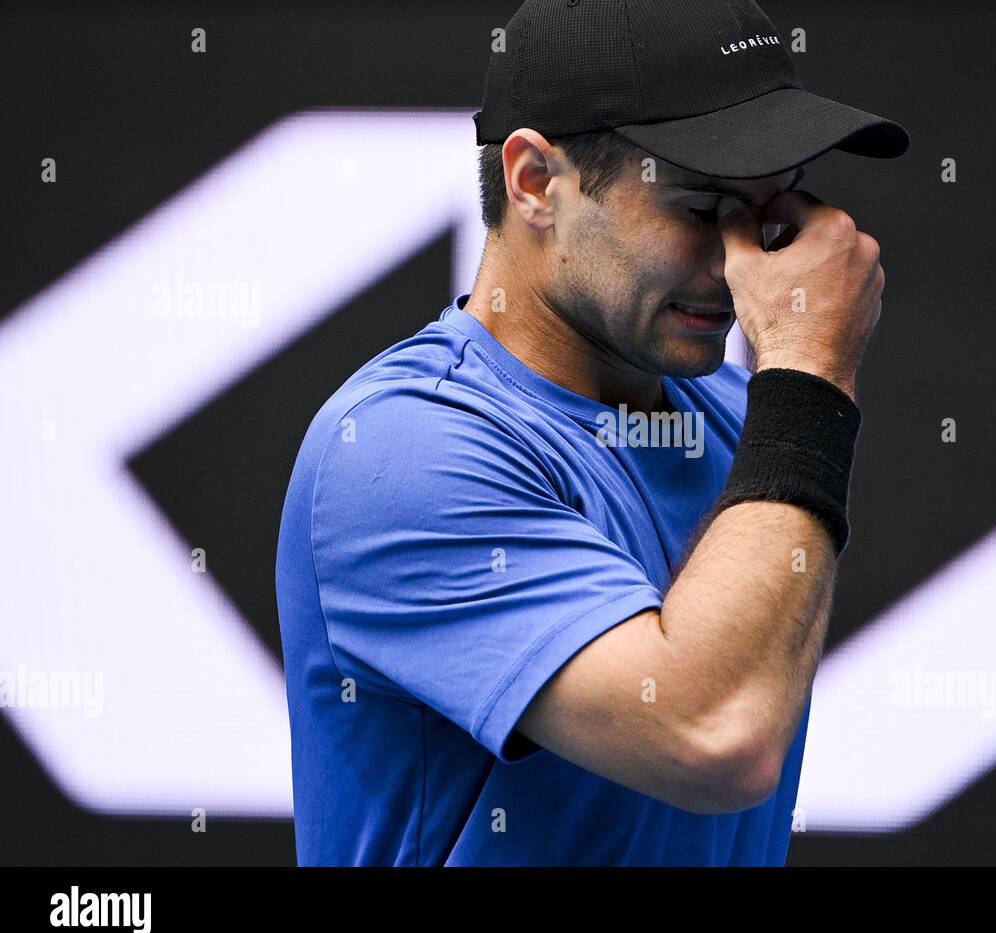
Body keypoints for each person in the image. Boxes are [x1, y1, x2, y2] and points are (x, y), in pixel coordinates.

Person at [275, 0, 907, 865]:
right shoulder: (399, 451)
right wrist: (805, 370)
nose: (744, 261)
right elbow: (717, 734)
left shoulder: (744, 416)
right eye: (699, 206)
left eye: (773, 205)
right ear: (536, 181)